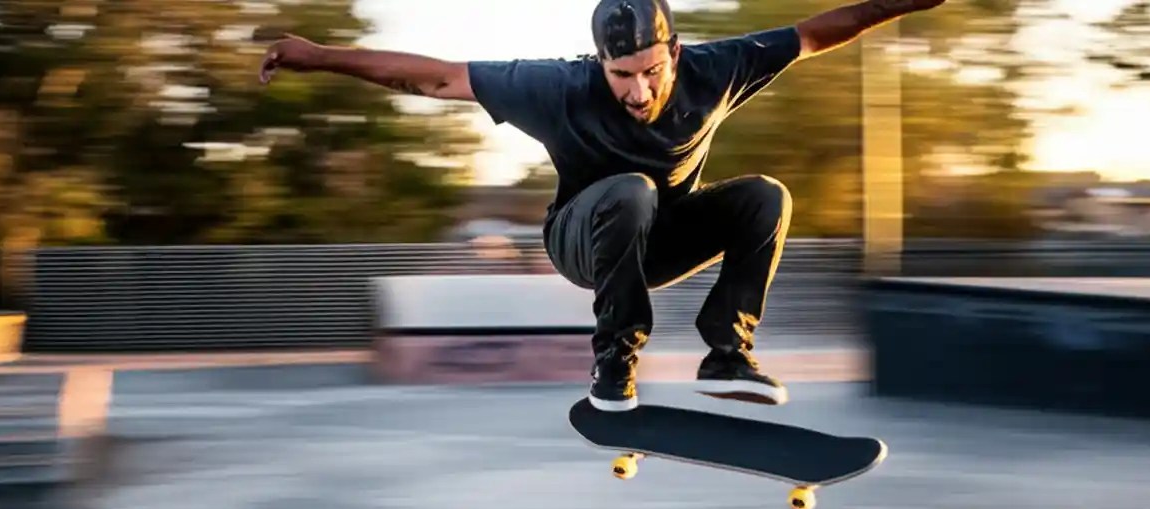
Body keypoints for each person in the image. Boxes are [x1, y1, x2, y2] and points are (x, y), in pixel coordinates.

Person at [259, 0, 948, 411]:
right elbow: (435, 79)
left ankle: (726, 354)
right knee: (630, 189)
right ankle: (615, 362)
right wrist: (319, 55)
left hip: (662, 240)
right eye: (623, 76)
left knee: (765, 198)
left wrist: (895, 5)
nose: (641, 92)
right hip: (580, 241)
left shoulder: (719, 68)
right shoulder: (557, 88)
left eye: (653, 71)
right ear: (597, 63)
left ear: (676, 51)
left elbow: (814, 35)